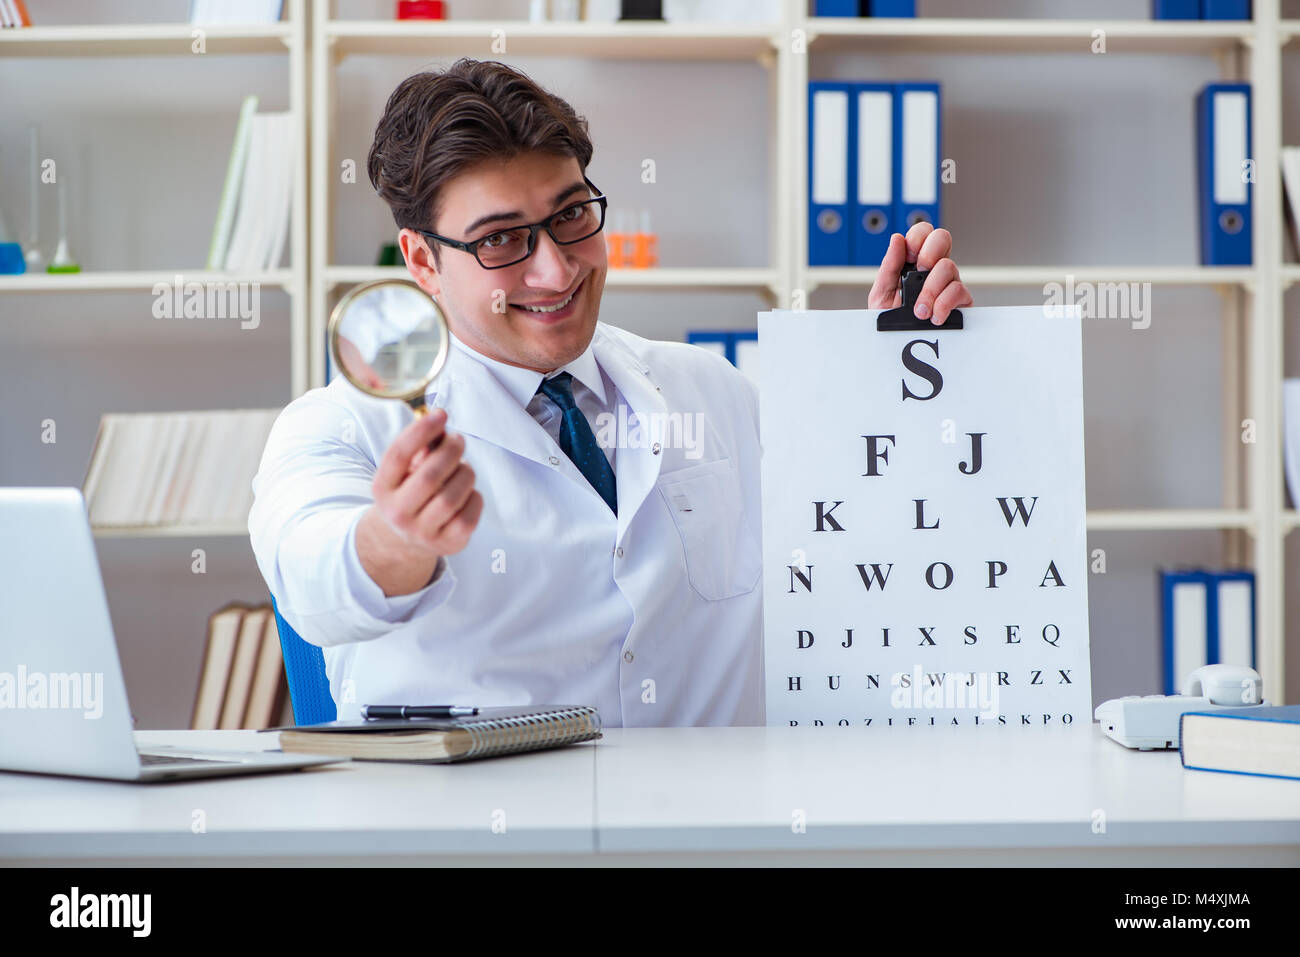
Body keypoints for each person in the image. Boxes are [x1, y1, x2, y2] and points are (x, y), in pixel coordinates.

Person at [248, 58, 971, 726]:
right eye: (502, 241)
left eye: (570, 216)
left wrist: (902, 376)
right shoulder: (339, 425)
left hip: (714, 828)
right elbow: (315, 578)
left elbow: (864, 541)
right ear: (422, 262)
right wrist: (396, 541)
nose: (556, 271)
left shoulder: (712, 391)